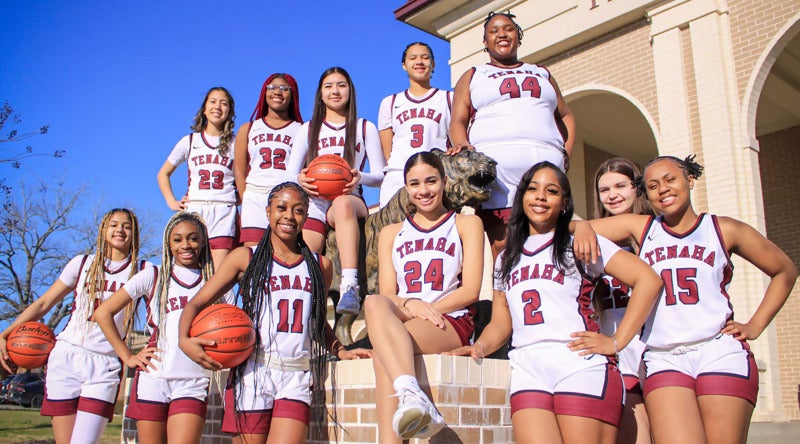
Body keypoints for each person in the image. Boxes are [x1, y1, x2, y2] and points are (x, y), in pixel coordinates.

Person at [580, 155, 797, 444]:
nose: (663, 189)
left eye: (671, 180)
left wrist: (755, 325)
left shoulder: (723, 228)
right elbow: (565, 231)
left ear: (690, 180)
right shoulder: (642, 228)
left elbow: (784, 270)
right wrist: (582, 226)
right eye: (654, 185)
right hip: (664, 357)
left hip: (717, 351)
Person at [448, 162, 662, 444]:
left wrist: (615, 342)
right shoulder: (506, 257)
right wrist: (480, 346)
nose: (540, 196)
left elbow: (648, 280)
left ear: (564, 203)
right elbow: (502, 321)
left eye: (551, 191)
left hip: (579, 364)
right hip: (528, 368)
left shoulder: (579, 243)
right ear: (522, 196)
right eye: (532, 189)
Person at [177, 182, 370, 444]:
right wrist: (184, 341)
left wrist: (340, 349)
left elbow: (316, 322)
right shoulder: (244, 257)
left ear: (306, 216)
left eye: (298, 210)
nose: (289, 216)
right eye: (281, 208)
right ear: (268, 212)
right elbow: (195, 304)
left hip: (296, 374)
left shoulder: (319, 265)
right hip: (254, 371)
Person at [0, 209, 149, 444]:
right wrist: (6, 333)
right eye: (113, 225)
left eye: (126, 226)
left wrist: (129, 356)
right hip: (67, 356)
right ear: (103, 230)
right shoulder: (82, 263)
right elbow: (44, 303)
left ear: (135, 233)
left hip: (105, 363)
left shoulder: (144, 270)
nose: (120, 230)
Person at [364, 152, 484, 442]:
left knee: (384, 350)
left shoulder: (466, 224)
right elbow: (388, 295)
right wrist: (410, 305)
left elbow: (470, 290)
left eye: (431, 181)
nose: (424, 190)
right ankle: (412, 396)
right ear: (406, 188)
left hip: (450, 319)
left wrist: (427, 309)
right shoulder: (392, 233)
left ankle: (396, 426)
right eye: (415, 184)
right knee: (372, 302)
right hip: (408, 313)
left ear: (444, 181)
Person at [449, 11, 576, 262]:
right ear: (485, 43)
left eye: (507, 29)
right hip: (499, 174)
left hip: (546, 165)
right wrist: (461, 144)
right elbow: (457, 120)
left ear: (518, 36)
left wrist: (566, 153)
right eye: (494, 31)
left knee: (551, 240)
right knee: (504, 245)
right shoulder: (474, 74)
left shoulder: (541, 72)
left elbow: (566, 116)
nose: (502, 34)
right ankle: (505, 300)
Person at [93, 212, 214, 444]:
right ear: (168, 243)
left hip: (193, 381)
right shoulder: (154, 275)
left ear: (203, 241)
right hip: (153, 377)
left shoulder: (215, 282)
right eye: (177, 239)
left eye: (193, 238)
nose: (186, 245)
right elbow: (103, 313)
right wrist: (127, 356)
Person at [286, 67, 386, 315]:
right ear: (320, 94)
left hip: (351, 198)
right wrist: (300, 178)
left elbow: (382, 174)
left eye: (341, 85)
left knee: (341, 202)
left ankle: (350, 285)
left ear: (350, 91)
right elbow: (289, 174)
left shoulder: (365, 127)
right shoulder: (308, 129)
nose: (335, 91)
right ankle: (300, 307)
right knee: (304, 256)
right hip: (316, 203)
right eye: (329, 86)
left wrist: (359, 177)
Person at [592, 158, 655, 444]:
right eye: (605, 190)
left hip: (656, 346)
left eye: (620, 186)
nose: (613, 195)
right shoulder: (589, 240)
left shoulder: (654, 231)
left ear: (637, 188)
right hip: (618, 352)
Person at [157, 86, 237, 268]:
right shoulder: (190, 141)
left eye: (224, 103)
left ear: (230, 112)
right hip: (195, 210)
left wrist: (238, 197)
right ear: (204, 108)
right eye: (213, 101)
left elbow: (245, 176)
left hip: (223, 211)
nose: (218, 107)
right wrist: (172, 201)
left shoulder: (235, 143)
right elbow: (163, 173)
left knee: (217, 275)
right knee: (191, 269)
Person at [377, 42, 452, 208]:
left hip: (434, 175)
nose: (419, 62)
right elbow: (387, 151)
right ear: (404, 65)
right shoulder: (390, 102)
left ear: (433, 64)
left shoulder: (447, 98)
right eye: (413, 58)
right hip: (398, 175)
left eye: (425, 58)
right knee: (391, 230)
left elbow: (454, 143)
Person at [235, 73, 303, 246]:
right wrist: (246, 197)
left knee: (284, 251)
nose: (277, 92)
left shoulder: (301, 130)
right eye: (272, 87)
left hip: (286, 197)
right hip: (255, 196)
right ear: (264, 93)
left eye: (284, 88)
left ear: (292, 94)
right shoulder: (248, 128)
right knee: (253, 254)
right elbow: (239, 170)